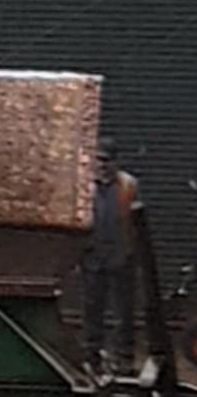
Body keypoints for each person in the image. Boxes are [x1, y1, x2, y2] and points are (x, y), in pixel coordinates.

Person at [85, 139, 143, 376]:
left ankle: (124, 358)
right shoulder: (86, 184)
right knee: (93, 309)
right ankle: (92, 357)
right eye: (98, 159)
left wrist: (132, 251)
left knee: (124, 311)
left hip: (122, 256)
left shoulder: (129, 184)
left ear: (116, 162)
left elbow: (138, 220)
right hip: (93, 256)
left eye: (106, 160)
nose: (102, 165)